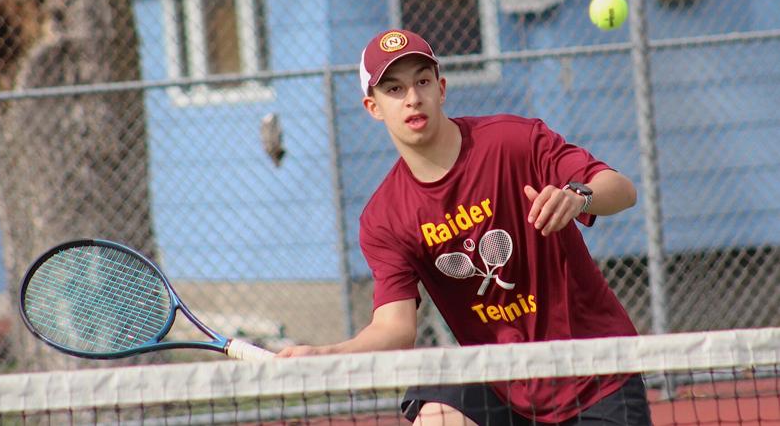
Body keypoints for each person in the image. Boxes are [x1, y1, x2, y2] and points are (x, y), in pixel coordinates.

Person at [277, 29, 651, 425]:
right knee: (435, 405)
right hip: (503, 388)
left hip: (598, 375)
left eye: (422, 81)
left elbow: (622, 190)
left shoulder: (514, 142)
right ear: (373, 106)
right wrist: (323, 355)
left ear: (441, 88)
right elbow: (395, 328)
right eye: (394, 89)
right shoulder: (384, 218)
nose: (412, 98)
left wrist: (580, 196)